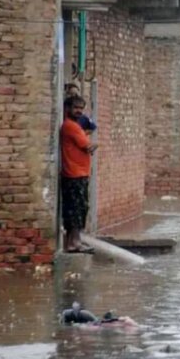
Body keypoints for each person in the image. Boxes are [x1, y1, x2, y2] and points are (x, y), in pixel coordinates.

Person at [60, 95, 98, 254]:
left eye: (81, 109)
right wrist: (95, 144)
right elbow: (87, 146)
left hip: (75, 173)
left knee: (75, 209)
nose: (79, 111)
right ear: (67, 108)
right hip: (75, 174)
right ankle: (74, 243)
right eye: (75, 108)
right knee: (77, 210)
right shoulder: (72, 127)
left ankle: (72, 242)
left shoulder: (72, 127)